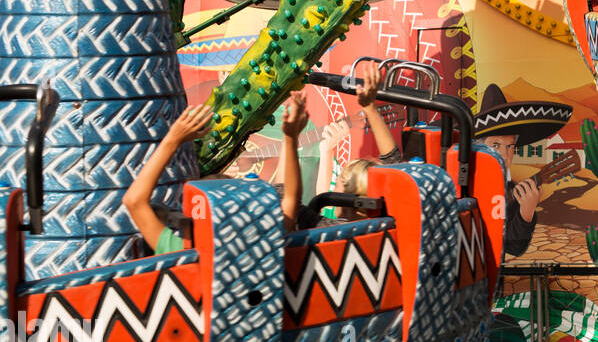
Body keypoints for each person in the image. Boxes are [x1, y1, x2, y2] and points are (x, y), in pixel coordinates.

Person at [124, 93, 309, 253]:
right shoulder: (262, 246)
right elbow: (291, 198)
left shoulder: (186, 253)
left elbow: (134, 201)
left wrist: (173, 139)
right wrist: (290, 136)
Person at [473, 83, 573, 257]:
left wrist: (526, 212)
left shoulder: (512, 191)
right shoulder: (464, 184)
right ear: (480, 146)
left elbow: (514, 247)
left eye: (510, 146)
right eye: (496, 145)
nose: (505, 155)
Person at [315, 66, 403, 224]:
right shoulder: (385, 219)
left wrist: (290, 137)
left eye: (338, 183)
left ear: (349, 199)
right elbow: (393, 160)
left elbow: (318, 202)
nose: (332, 187)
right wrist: (370, 108)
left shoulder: (329, 227)